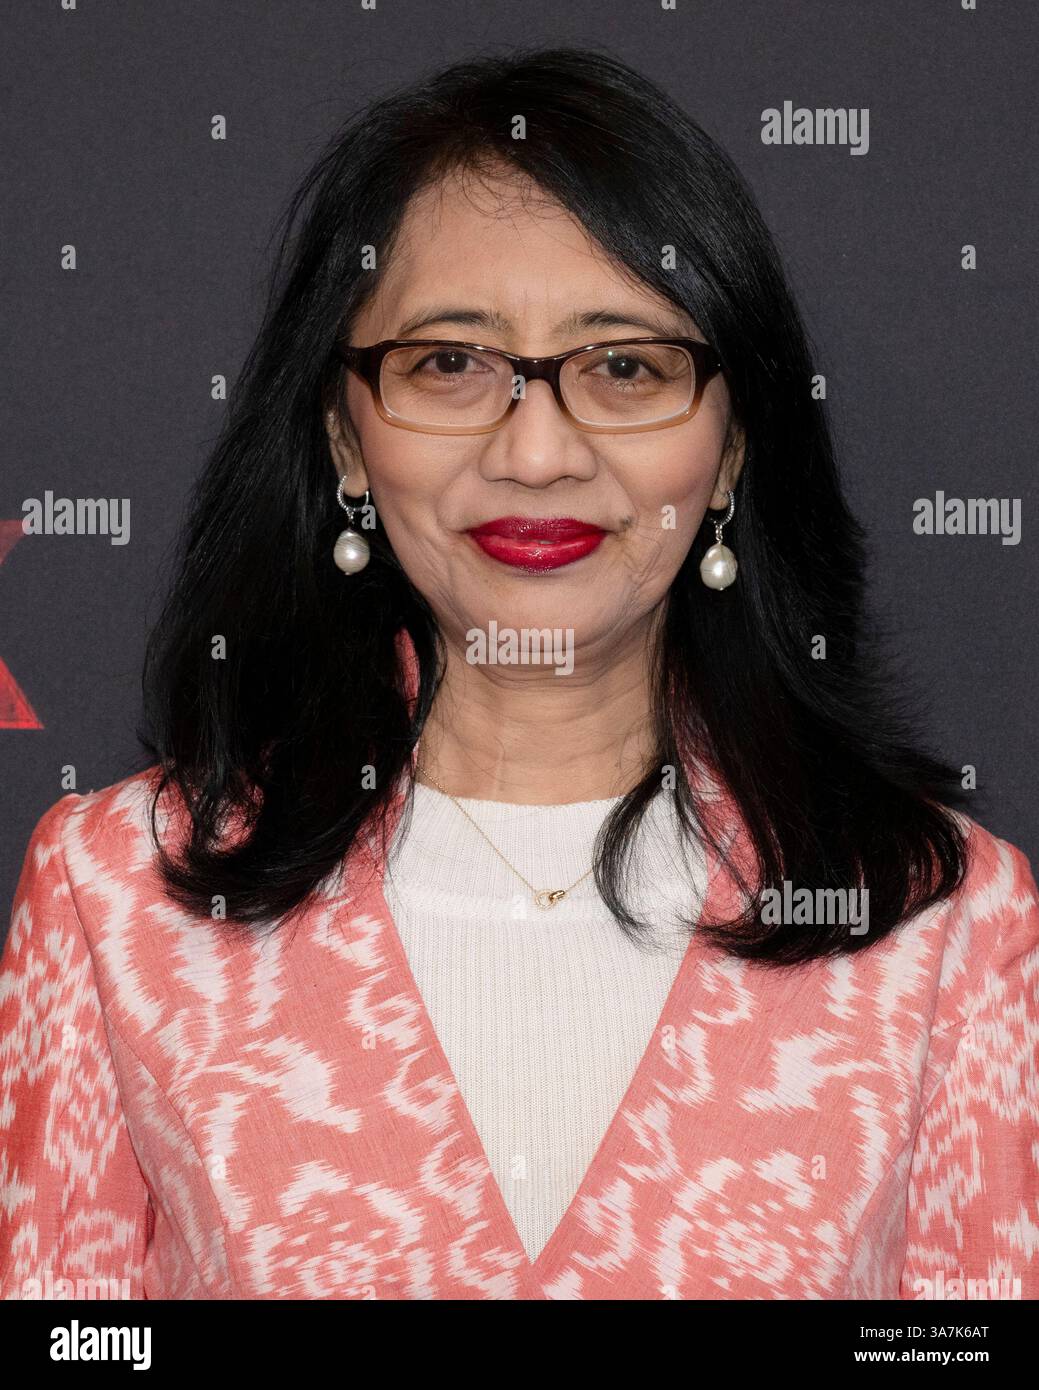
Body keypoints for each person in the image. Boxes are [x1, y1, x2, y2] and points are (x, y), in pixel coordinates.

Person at [2, 47, 1036, 1301]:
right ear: (344, 435)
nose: (536, 451)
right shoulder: (123, 898)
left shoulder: (942, 919)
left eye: (624, 367)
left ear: (728, 452)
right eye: (450, 363)